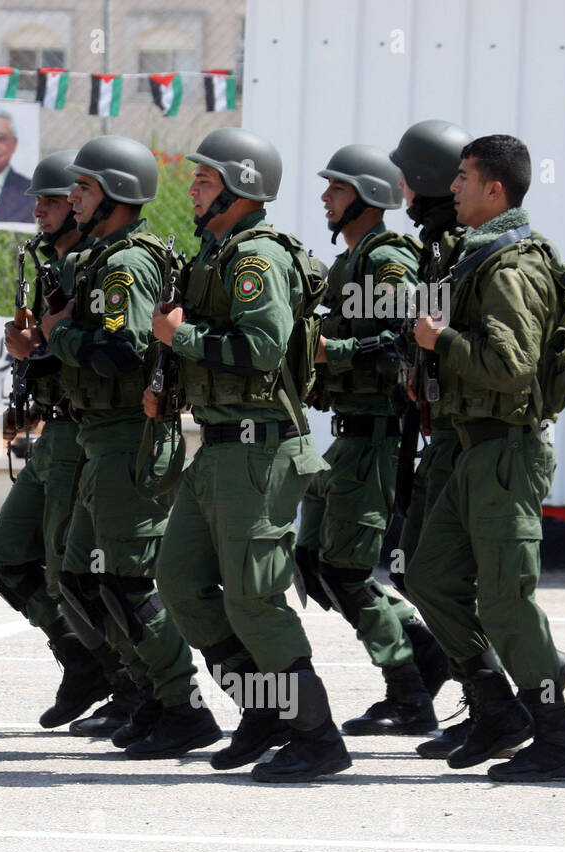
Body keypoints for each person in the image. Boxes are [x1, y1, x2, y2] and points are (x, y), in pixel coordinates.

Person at [150, 127, 352, 782]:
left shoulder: (255, 258)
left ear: (241, 188)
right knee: (181, 581)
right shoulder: (217, 253)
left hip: (260, 451)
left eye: (205, 179)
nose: (193, 188)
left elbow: (261, 349)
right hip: (219, 447)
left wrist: (182, 337)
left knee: (255, 598)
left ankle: (318, 735)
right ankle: (262, 710)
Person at [31, 135, 220, 759]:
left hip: (128, 440)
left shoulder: (124, 264)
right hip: (100, 436)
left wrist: (58, 338)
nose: (72, 197)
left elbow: (122, 351)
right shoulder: (100, 257)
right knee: (83, 579)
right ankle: (147, 697)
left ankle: (183, 707)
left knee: (128, 581)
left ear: (114, 194)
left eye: (84, 188)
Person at [407, 134, 565, 781]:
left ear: (496, 189)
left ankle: (559, 739)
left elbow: (510, 369)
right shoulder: (477, 256)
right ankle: (495, 709)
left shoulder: (511, 266)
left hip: (505, 453)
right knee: (428, 578)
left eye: (463, 178)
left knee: (507, 601)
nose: (451, 188)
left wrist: (441, 339)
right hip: (471, 450)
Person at [294, 144, 446, 737]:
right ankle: (424, 652)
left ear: (368, 196)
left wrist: (331, 352)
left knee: (346, 569)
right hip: (348, 436)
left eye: (336, 187)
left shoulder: (385, 261)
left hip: (379, 436)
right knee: (314, 562)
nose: (326, 197)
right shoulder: (351, 260)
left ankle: (408, 695)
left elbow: (401, 343)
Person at [0, 149, 110, 730]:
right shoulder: (50, 265)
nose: (40, 209)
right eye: (39, 199)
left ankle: (128, 680)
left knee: (76, 573)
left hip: (85, 434)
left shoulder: (95, 266)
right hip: (53, 428)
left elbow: (111, 352)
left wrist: (44, 348)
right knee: (6, 560)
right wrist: (27, 368)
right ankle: (83, 662)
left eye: (54, 200)